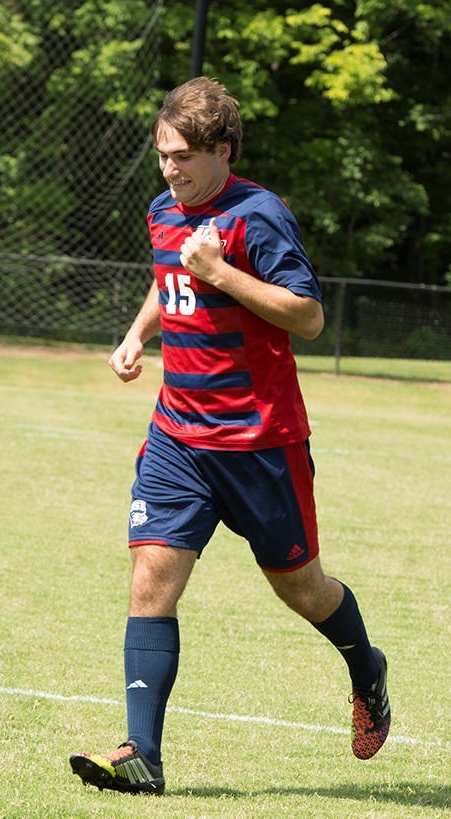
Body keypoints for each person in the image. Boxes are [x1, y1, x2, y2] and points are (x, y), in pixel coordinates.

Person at [69, 77, 390, 796]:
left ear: (222, 150)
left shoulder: (259, 215)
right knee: (151, 576)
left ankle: (366, 667)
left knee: (301, 587)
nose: (170, 170)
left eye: (183, 156)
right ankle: (141, 755)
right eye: (162, 156)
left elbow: (306, 316)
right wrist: (135, 334)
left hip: (259, 443)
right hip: (179, 435)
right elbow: (169, 275)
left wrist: (221, 272)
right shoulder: (163, 210)